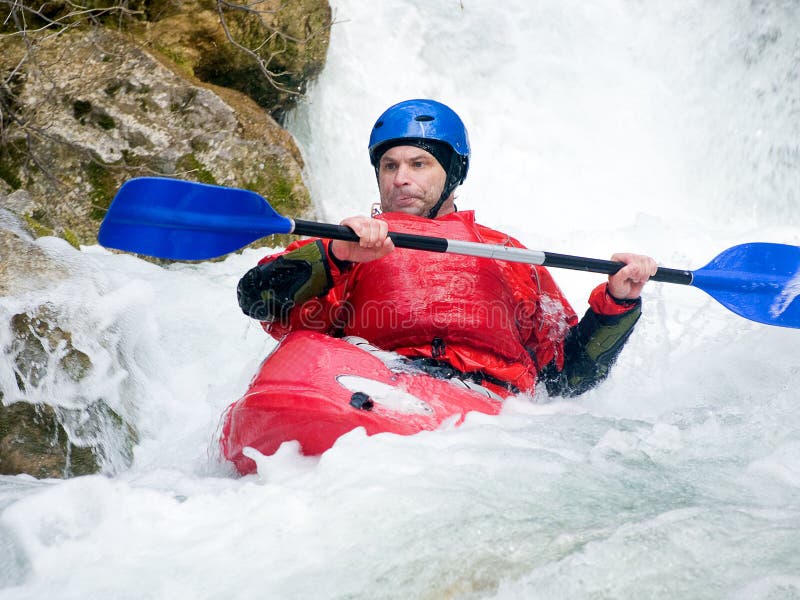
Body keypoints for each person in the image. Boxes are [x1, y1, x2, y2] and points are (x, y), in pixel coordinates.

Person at [237, 99, 657, 397]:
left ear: (453, 172)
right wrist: (332, 256)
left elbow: (569, 378)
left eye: (418, 164)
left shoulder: (509, 256)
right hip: (373, 386)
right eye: (389, 165)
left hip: (483, 404)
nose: (401, 178)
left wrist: (617, 303)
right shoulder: (352, 243)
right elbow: (257, 300)